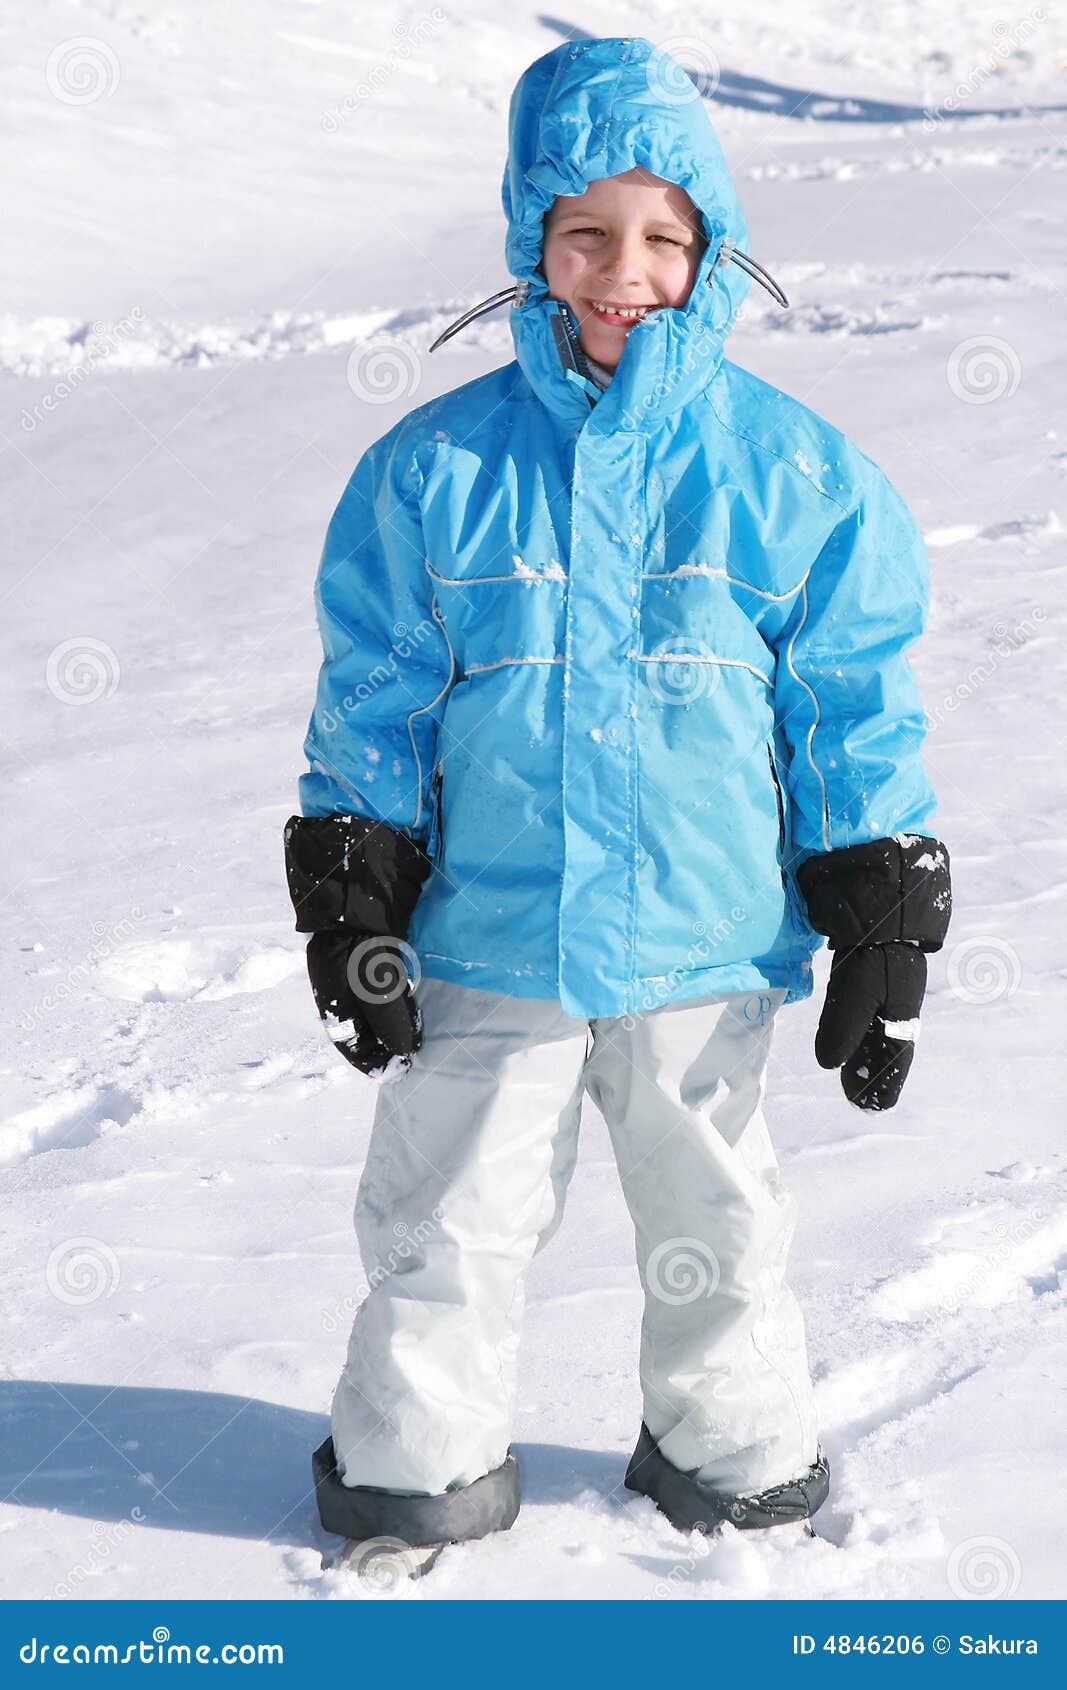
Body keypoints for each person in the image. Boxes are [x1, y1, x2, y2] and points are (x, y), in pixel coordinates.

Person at [283, 36, 952, 1568]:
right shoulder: (436, 470)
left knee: (720, 1223)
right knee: (446, 1220)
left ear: (713, 246)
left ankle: (738, 1455)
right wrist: (354, 890)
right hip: (488, 939)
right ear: (531, 240)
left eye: (662, 235)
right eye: (583, 232)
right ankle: (416, 1466)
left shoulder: (792, 476)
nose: (623, 273)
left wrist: (879, 906)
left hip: (702, 939)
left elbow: (852, 702)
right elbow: (375, 697)